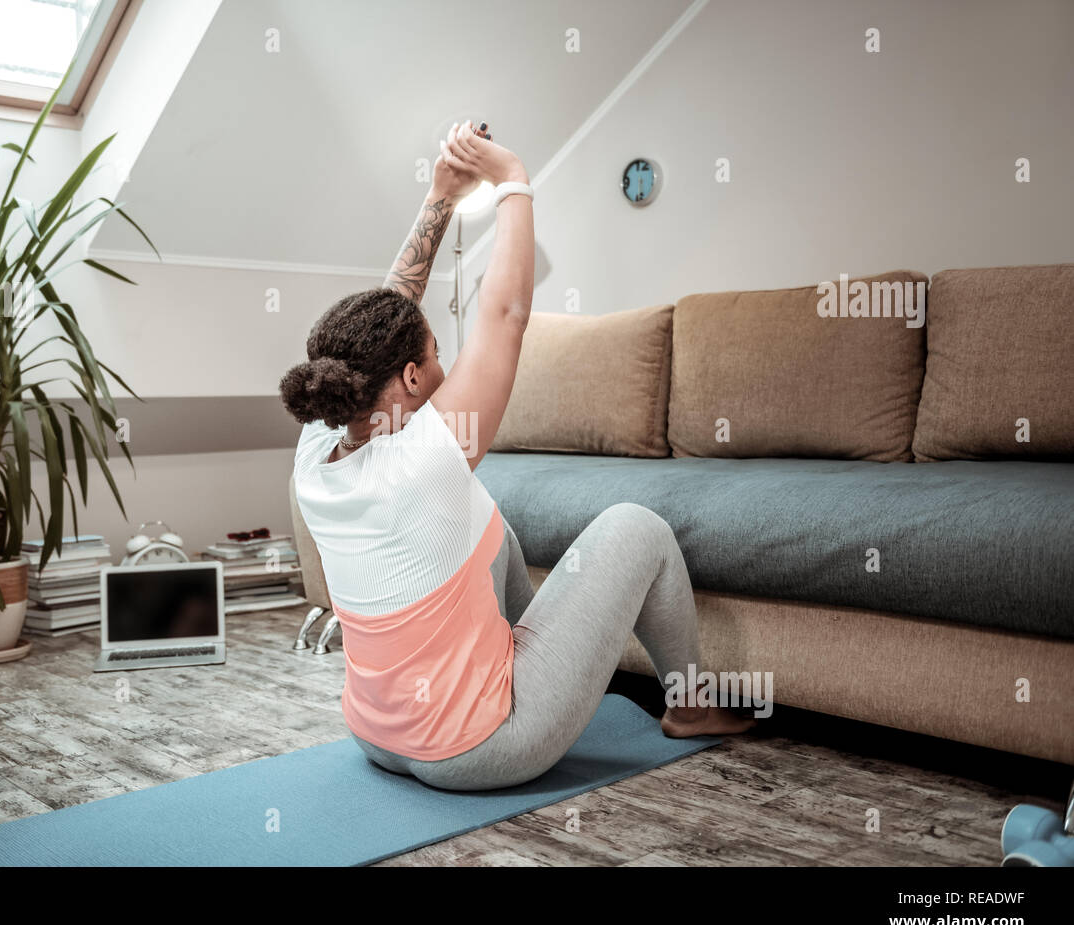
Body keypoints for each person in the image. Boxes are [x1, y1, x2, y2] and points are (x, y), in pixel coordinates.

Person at [280, 121, 753, 791]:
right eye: (436, 355)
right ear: (411, 378)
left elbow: (380, 317)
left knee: (486, 520)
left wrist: (440, 195)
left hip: (377, 737)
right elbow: (505, 314)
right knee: (637, 526)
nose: (445, 365)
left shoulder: (314, 449)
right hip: (479, 752)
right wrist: (513, 180)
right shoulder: (427, 458)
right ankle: (691, 704)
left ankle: (526, 659)